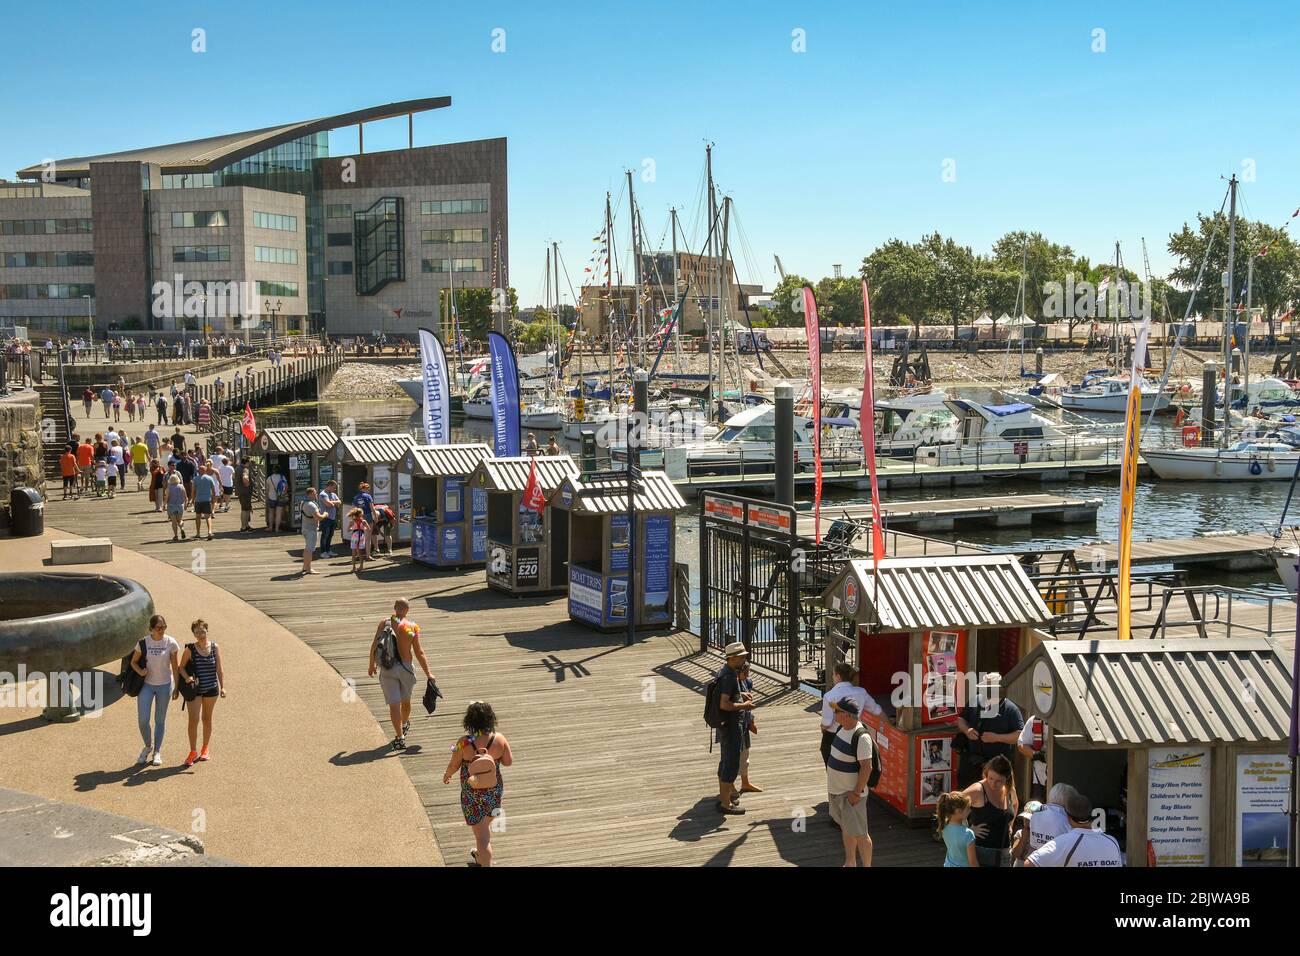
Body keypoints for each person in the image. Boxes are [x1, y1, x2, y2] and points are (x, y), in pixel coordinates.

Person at [442, 701, 513, 867]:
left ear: (470, 720)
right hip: (493, 791)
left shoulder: (464, 742)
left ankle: (485, 860)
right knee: (484, 829)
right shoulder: (499, 738)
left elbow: (454, 764)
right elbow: (508, 762)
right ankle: (480, 855)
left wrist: (447, 774)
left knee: (482, 837)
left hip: (472, 793)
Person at [367, 599, 434, 749]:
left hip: (387, 667)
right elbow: (419, 652)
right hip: (406, 668)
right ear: (407, 610)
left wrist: (371, 663)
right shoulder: (412, 627)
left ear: (395, 608)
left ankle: (399, 737)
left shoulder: (384, 623)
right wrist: (428, 673)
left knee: (393, 705)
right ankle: (404, 723)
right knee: (406, 701)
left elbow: (375, 643)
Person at [129, 615, 185, 767]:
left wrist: (177, 688)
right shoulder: (143, 642)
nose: (161, 630)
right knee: (143, 720)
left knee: (160, 720)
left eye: (164, 627)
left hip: (164, 685)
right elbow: (133, 662)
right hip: (146, 685)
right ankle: (148, 746)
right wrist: (140, 671)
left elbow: (175, 666)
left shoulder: (171, 642)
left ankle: (157, 751)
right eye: (158, 628)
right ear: (151, 629)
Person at [825, 697, 874, 867]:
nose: (834, 713)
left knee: (861, 833)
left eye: (837, 711)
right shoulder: (841, 728)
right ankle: (850, 862)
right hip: (838, 792)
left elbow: (867, 768)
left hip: (851, 796)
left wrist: (856, 793)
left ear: (847, 715)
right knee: (847, 829)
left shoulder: (861, 737)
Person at [954, 672, 1023, 788]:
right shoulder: (974, 701)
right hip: (971, 763)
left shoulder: (1010, 709)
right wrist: (967, 730)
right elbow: (961, 719)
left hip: (997, 766)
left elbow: (1019, 735)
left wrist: (996, 738)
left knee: (995, 799)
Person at [1025, 792, 1123, 867]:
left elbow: (1029, 864)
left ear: (1068, 817)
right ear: (1091, 814)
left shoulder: (1063, 843)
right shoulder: (1112, 842)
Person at [714, 641, 755, 815]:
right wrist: (744, 705)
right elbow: (725, 704)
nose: (745, 658)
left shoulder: (725, 672)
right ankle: (726, 804)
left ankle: (725, 797)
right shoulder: (730, 676)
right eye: (742, 656)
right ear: (733, 658)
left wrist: (740, 694)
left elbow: (728, 695)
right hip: (731, 726)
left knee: (725, 761)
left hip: (725, 725)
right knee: (731, 763)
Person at [179, 619, 225, 767]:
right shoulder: (190, 649)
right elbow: (181, 667)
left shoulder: (214, 647)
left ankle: (205, 748)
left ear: (207, 630)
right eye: (197, 632)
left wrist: (222, 687)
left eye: (202, 630)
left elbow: (219, 668)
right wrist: (187, 678)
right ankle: (193, 751)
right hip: (196, 689)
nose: (200, 634)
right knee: (193, 720)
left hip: (211, 688)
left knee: (207, 719)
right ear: (194, 634)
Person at [962, 754, 1018, 867]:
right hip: (980, 854)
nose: (993, 784)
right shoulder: (977, 790)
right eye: (990, 778)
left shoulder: (1009, 789)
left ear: (1007, 778)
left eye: (999, 781)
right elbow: (949, 808)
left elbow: (1015, 804)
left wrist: (1010, 824)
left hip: (1004, 853)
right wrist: (967, 830)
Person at [820, 661, 880, 767]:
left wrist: (822, 728)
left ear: (838, 676)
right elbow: (877, 710)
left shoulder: (829, 696)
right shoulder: (861, 692)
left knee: (833, 770)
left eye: (833, 675)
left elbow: (827, 723)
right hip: (855, 734)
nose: (833, 677)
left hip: (833, 737)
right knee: (855, 767)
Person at [737, 660, 762, 796]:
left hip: (744, 721)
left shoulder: (747, 682)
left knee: (745, 752)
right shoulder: (730, 683)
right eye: (745, 673)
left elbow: (748, 705)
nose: (747, 675)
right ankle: (729, 786)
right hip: (734, 724)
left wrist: (751, 721)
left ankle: (745, 782)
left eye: (748, 672)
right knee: (733, 755)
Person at [938, 791, 979, 868]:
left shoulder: (944, 826)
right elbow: (973, 862)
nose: (970, 810)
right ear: (958, 811)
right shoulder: (968, 834)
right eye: (968, 808)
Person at [193, 461, 220, 540]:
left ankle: (198, 533)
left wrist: (192, 499)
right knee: (208, 517)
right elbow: (213, 490)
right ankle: (209, 531)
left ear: (199, 471)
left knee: (198, 516)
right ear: (205, 471)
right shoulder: (210, 478)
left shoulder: (195, 479)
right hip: (207, 500)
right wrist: (213, 498)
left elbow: (193, 491)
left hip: (198, 500)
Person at [299, 487, 323, 574]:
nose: (316, 495)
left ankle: (305, 567)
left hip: (305, 528)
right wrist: (325, 515)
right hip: (311, 530)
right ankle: (309, 569)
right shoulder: (311, 505)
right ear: (310, 494)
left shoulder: (302, 503)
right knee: (310, 549)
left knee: (307, 548)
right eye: (315, 493)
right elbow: (318, 518)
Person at [318, 480, 340, 555]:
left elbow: (339, 503)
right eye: (334, 487)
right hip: (325, 518)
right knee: (325, 535)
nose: (335, 489)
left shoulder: (333, 494)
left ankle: (328, 550)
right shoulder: (323, 494)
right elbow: (328, 505)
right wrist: (334, 502)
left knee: (330, 535)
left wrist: (332, 502)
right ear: (329, 486)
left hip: (333, 518)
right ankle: (323, 552)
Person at [352, 482, 374, 554]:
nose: (368, 491)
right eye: (368, 489)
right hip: (368, 516)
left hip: (359, 517)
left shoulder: (356, 497)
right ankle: (368, 555)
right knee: (368, 538)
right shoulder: (368, 496)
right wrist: (376, 517)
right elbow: (372, 508)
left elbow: (353, 509)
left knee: (359, 537)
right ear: (365, 488)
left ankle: (358, 555)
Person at [347, 507, 370, 573]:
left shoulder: (352, 521)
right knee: (360, 553)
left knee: (353, 553)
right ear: (361, 514)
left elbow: (348, 530)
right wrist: (363, 528)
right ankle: (361, 566)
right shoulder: (364, 521)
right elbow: (368, 528)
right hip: (361, 536)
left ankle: (354, 567)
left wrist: (352, 528)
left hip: (354, 536)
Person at [165, 472, 187, 540]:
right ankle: (182, 528)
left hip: (171, 506)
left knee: (174, 522)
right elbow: (185, 497)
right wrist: (186, 504)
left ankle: (176, 535)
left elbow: (166, 498)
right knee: (180, 520)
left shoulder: (169, 488)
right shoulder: (181, 486)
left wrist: (163, 505)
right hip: (180, 506)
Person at [265, 466, 287, 533]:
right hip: (280, 497)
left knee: (271, 512)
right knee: (278, 513)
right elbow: (286, 487)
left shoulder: (269, 478)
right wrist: (284, 494)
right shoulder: (282, 477)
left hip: (271, 497)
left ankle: (271, 527)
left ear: (273, 470)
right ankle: (277, 529)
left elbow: (267, 490)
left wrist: (267, 497)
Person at [236, 459, 254, 532]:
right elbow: (245, 478)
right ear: (247, 462)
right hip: (245, 492)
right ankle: (243, 527)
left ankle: (246, 526)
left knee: (245, 509)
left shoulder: (237, 468)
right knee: (245, 510)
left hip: (240, 491)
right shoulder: (245, 469)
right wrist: (248, 485)